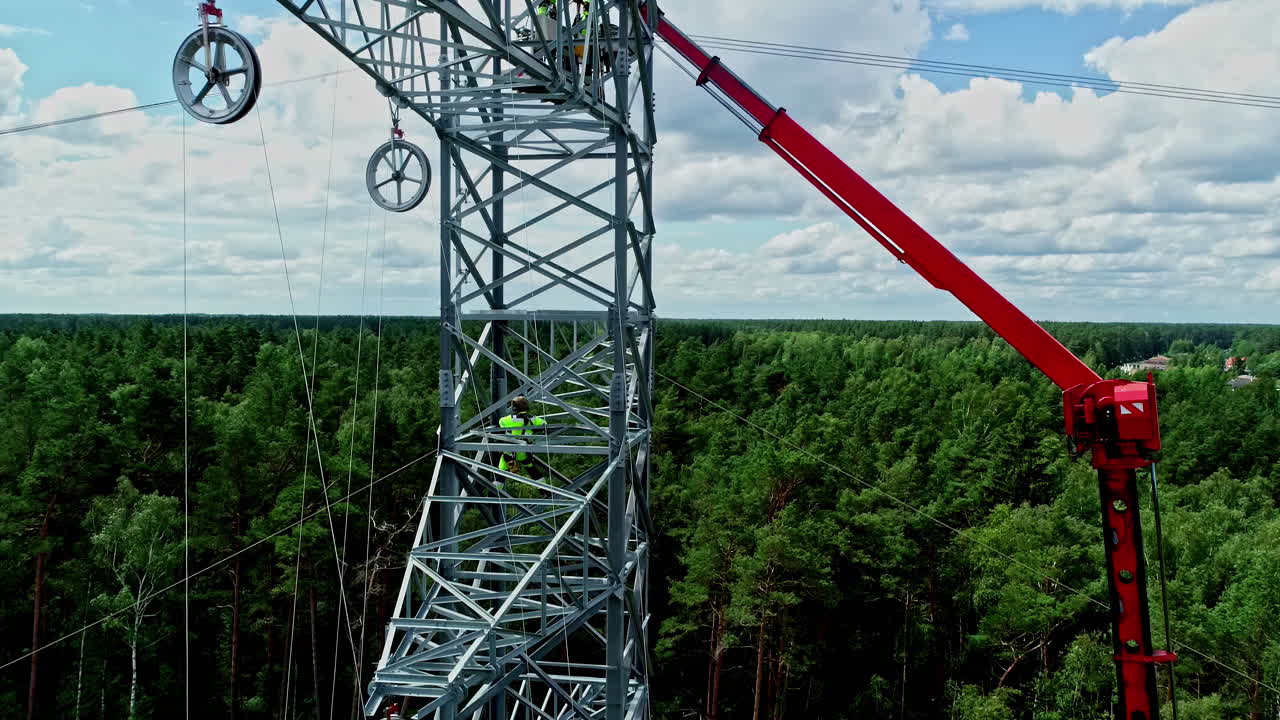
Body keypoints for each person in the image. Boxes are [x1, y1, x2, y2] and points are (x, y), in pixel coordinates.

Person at [499, 396, 546, 479]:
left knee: (501, 472)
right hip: (524, 453)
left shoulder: (508, 419)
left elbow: (501, 421)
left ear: (514, 408)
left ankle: (496, 486)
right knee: (533, 472)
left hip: (510, 453)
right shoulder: (533, 419)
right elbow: (544, 424)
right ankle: (543, 486)